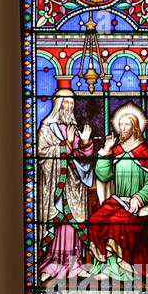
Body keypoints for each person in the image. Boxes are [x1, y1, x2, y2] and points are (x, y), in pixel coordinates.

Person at [86, 103, 148, 282]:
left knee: (118, 223)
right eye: (120, 124)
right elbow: (103, 175)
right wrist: (106, 151)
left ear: (135, 127)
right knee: (95, 221)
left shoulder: (146, 152)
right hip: (119, 200)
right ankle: (104, 264)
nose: (122, 128)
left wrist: (139, 197)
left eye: (126, 124)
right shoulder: (117, 151)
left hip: (140, 206)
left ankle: (119, 270)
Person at [36, 90, 97, 282]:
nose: (69, 107)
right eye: (65, 103)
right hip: (56, 183)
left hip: (74, 184)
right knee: (58, 224)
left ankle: (75, 265)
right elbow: (43, 154)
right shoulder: (47, 127)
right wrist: (67, 144)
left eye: (71, 104)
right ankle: (52, 264)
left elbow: (83, 158)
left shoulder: (74, 127)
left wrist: (86, 143)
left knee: (73, 225)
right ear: (57, 105)